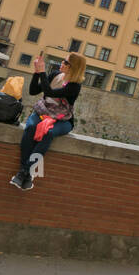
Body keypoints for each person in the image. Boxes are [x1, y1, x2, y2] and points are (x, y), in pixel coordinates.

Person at [10, 51, 84, 190]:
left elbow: (50, 92)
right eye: (63, 60)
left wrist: (43, 72)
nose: (62, 63)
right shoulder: (55, 75)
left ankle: (24, 172)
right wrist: (37, 72)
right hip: (42, 111)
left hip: (62, 119)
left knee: (48, 133)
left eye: (66, 62)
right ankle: (25, 173)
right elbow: (33, 91)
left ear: (74, 67)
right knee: (31, 127)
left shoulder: (75, 85)